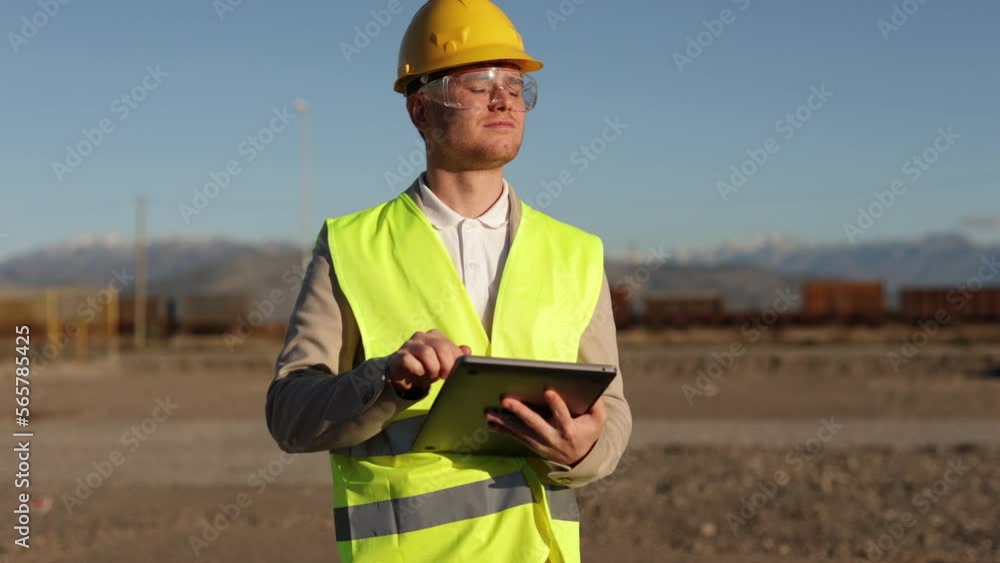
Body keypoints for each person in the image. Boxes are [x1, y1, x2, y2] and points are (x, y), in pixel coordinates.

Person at [265, 1, 631, 561]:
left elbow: (613, 416)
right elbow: (291, 416)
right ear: (420, 110)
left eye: (514, 84)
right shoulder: (351, 246)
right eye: (479, 82)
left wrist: (583, 453)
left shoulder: (577, 253)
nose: (504, 97)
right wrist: (386, 382)